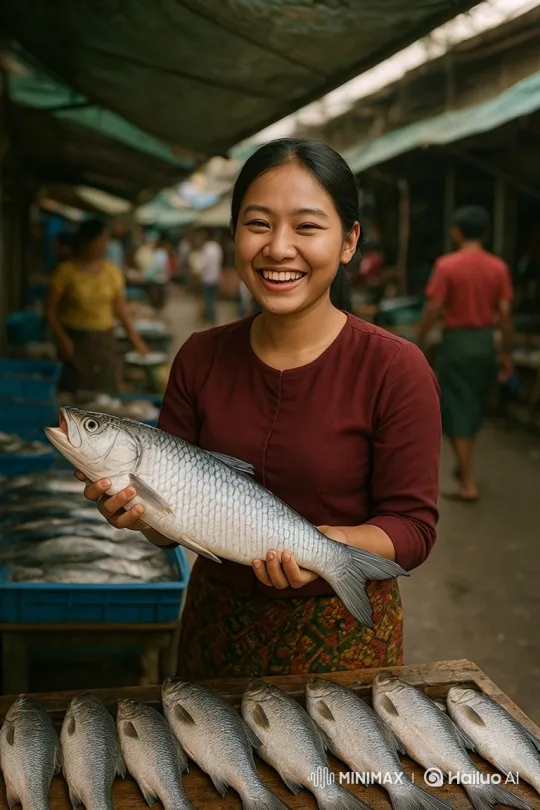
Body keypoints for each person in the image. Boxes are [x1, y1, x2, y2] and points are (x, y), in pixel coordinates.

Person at [77, 138, 441, 679]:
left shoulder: (395, 368)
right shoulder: (200, 355)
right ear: (234, 236)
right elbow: (171, 520)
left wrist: (329, 549)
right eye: (259, 223)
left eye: (308, 226)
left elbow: (412, 527)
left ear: (349, 241)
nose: (279, 248)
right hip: (216, 626)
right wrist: (137, 515)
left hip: (342, 632)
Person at [416, 205, 514, 502]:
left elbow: (433, 307)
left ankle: (467, 481)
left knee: (458, 407)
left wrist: (418, 342)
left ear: (458, 232)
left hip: (457, 343)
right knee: (472, 407)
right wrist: (506, 351)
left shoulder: (447, 265)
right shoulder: (498, 267)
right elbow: (505, 313)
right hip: (484, 342)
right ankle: (464, 470)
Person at [46, 218, 149, 394]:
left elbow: (120, 311)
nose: (104, 247)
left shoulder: (111, 271)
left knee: (105, 393)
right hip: (75, 341)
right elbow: (50, 312)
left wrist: (137, 342)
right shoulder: (65, 272)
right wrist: (62, 339)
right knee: (75, 393)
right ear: (85, 242)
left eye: (105, 242)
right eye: (100, 242)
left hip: (104, 342)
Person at [198, 230, 223, 325]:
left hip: (207, 277)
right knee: (212, 298)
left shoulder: (207, 248)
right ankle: (212, 317)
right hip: (215, 276)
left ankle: (210, 318)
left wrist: (199, 270)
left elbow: (204, 263)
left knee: (208, 298)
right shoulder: (217, 247)